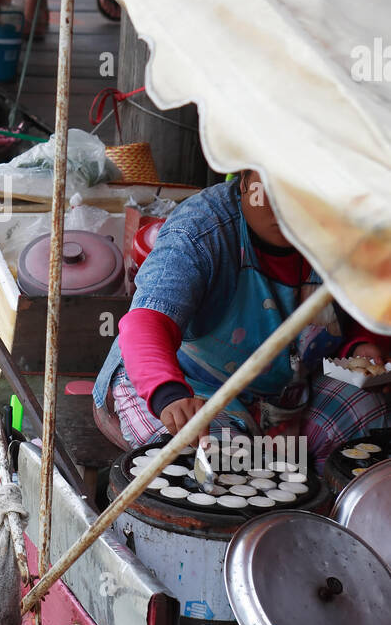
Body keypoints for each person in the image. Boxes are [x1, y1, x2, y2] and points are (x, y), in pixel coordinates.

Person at [92, 171, 389, 470]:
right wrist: (169, 394)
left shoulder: (342, 231)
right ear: (245, 178)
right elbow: (146, 322)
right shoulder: (201, 229)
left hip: (283, 395)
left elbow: (358, 305)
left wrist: (361, 343)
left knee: (371, 426)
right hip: (184, 390)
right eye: (273, 188)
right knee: (221, 467)